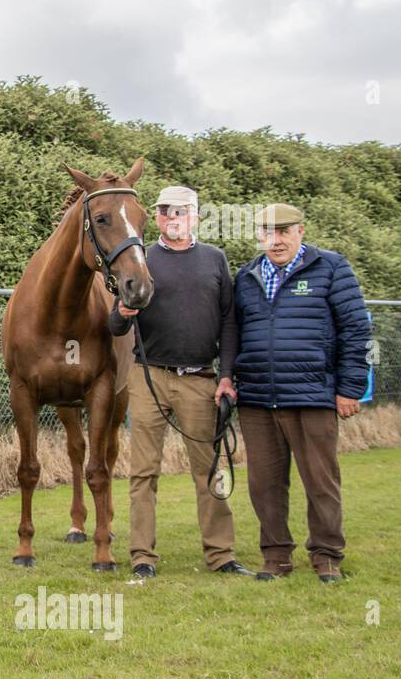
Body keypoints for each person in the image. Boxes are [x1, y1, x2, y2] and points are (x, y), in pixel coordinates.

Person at [108, 185, 251, 578]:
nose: (174, 218)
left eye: (182, 212)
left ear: (195, 217)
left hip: (201, 379)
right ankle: (141, 557)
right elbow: (114, 323)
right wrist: (123, 311)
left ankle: (221, 555)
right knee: (143, 472)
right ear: (156, 217)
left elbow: (228, 322)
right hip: (149, 377)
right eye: (166, 212)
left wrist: (226, 376)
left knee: (210, 469)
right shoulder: (141, 259)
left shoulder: (215, 260)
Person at [232, 203, 371, 583]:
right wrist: (230, 378)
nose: (275, 241)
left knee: (321, 481)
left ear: (300, 231)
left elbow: (356, 330)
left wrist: (349, 388)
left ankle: (327, 555)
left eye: (283, 232)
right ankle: (275, 557)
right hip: (258, 398)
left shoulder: (331, 268)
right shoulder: (246, 276)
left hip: (313, 396)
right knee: (264, 484)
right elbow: (234, 333)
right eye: (267, 233)